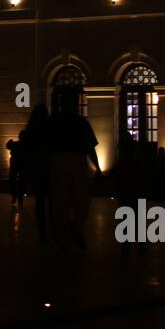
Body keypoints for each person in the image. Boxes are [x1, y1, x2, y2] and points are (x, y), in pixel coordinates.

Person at [48, 101, 100, 249]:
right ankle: (75, 229)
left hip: (58, 161)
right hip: (77, 161)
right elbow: (90, 147)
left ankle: (64, 233)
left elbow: (46, 146)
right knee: (82, 200)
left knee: (60, 200)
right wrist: (98, 168)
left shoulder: (54, 123)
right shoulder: (81, 122)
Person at [20, 106, 52, 243]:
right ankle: (54, 230)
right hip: (50, 168)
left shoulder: (30, 132)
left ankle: (43, 233)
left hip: (36, 169)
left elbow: (25, 152)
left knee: (39, 202)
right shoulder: (50, 129)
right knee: (52, 201)